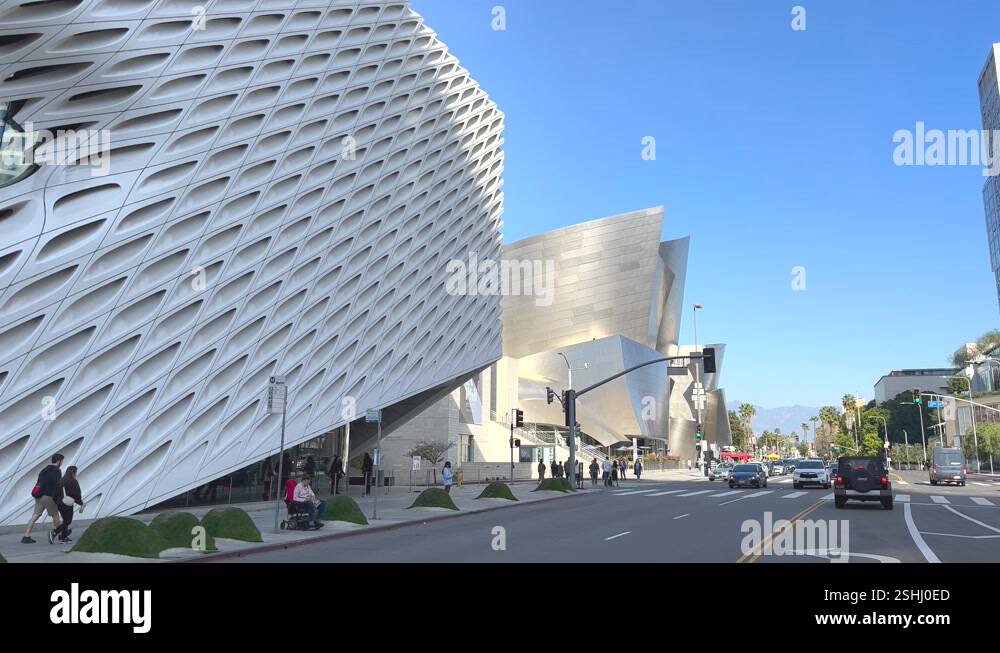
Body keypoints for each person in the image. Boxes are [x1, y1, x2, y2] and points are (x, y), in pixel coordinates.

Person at [23, 453, 64, 544]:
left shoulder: (44, 470)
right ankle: (60, 535)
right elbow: (57, 486)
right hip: (48, 497)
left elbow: (39, 483)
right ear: (58, 461)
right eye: (62, 461)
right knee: (55, 516)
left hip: (38, 496)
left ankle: (26, 536)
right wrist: (59, 498)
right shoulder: (57, 471)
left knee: (35, 516)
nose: (62, 463)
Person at [56, 466, 84, 543]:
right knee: (68, 521)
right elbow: (76, 494)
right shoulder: (73, 481)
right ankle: (54, 532)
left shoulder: (61, 480)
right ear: (73, 473)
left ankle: (63, 537)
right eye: (76, 472)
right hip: (67, 503)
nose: (76, 474)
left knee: (65, 520)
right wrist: (81, 503)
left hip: (59, 503)